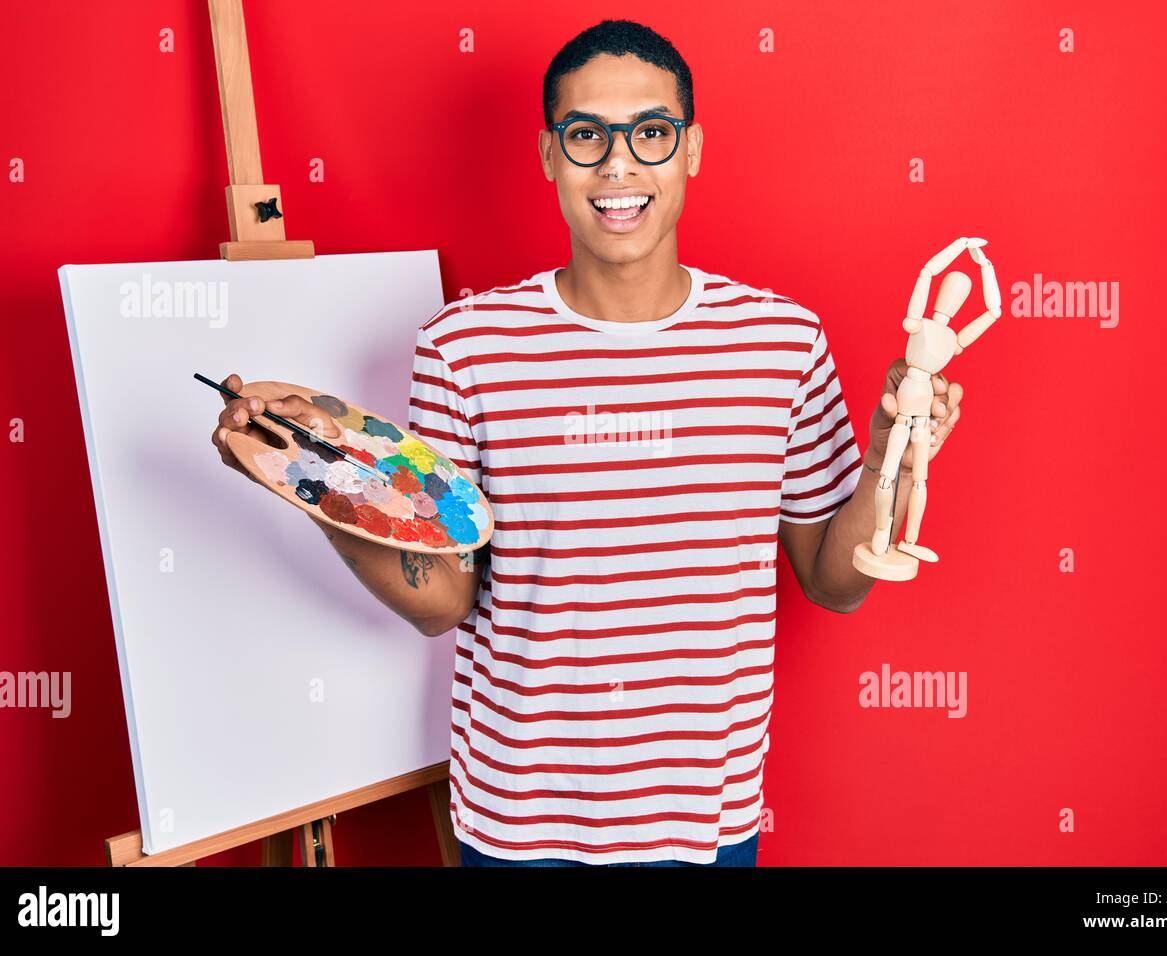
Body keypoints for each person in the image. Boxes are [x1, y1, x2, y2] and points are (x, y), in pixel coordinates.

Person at [209, 18, 963, 867]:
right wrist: (310, 482)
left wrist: (881, 459)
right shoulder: (465, 347)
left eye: (650, 132)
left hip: (707, 825)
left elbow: (834, 584)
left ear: (692, 149)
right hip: (518, 826)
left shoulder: (780, 343)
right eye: (585, 136)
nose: (618, 164)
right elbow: (444, 600)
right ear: (548, 156)